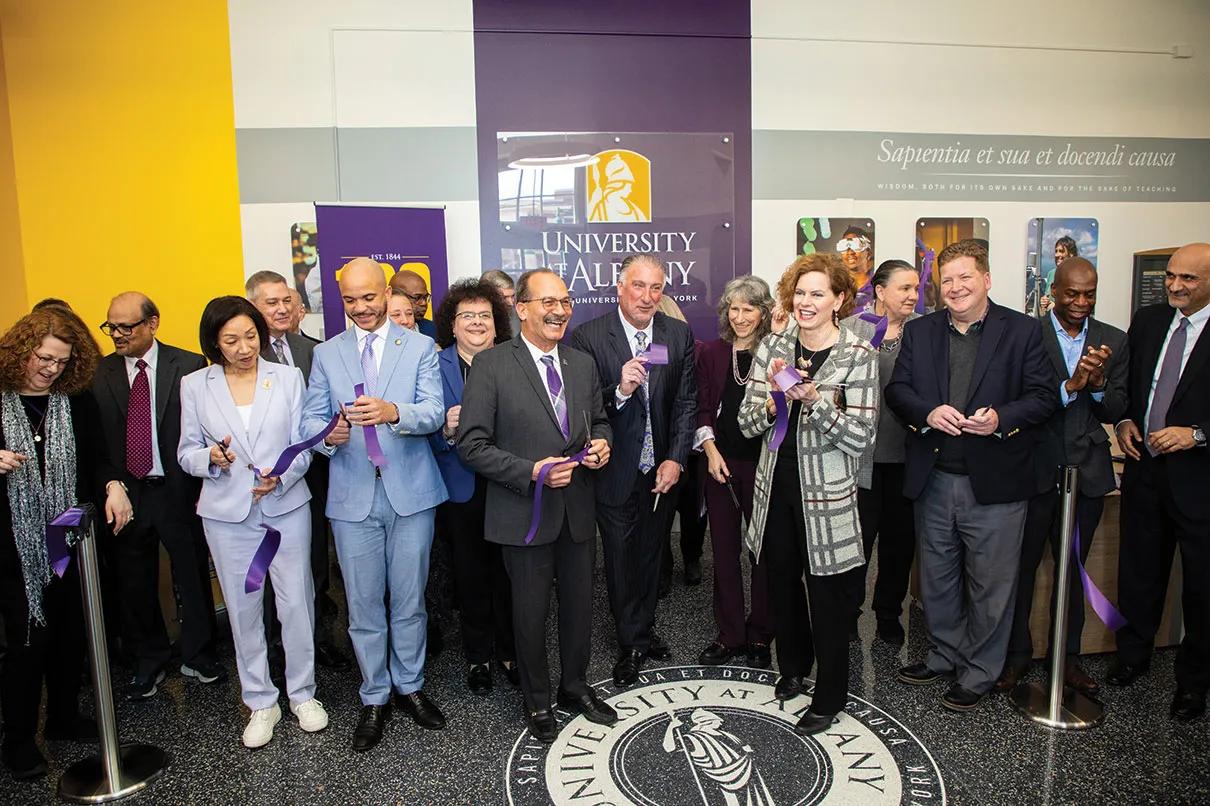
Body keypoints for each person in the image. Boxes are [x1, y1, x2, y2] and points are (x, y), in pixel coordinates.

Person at [886, 239, 1056, 712]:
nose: (956, 287)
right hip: (934, 476)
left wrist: (1001, 418)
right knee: (938, 578)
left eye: (965, 277)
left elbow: (1044, 397)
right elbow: (898, 390)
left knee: (990, 583)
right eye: (947, 280)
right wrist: (927, 412)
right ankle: (944, 655)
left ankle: (980, 671)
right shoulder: (921, 333)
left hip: (996, 482)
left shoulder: (1022, 331)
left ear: (986, 280)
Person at [457, 268, 615, 742]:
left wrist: (603, 444)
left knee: (580, 607)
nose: (559, 310)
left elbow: (601, 421)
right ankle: (538, 699)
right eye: (548, 301)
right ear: (521, 309)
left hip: (578, 513)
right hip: (522, 515)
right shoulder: (491, 365)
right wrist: (531, 471)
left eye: (565, 301)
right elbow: (472, 445)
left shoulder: (582, 364)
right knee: (528, 614)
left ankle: (574, 686)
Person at [302, 257, 448, 750]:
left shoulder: (421, 346)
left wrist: (392, 412)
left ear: (387, 293)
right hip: (351, 496)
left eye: (369, 297)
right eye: (350, 300)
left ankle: (411, 686)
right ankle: (374, 695)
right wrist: (329, 435)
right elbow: (309, 424)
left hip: (411, 493)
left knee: (409, 600)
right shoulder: (327, 354)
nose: (361, 308)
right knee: (363, 606)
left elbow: (431, 412)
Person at [736, 253, 878, 736]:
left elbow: (861, 438)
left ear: (839, 300)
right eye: (800, 293)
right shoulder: (773, 345)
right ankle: (792, 668)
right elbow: (745, 422)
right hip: (775, 490)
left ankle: (830, 693)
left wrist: (816, 403)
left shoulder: (859, 356)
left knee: (828, 596)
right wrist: (778, 398)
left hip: (829, 498)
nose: (806, 302)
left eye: (818, 293)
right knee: (782, 585)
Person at [177, 297, 325, 748]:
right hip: (227, 516)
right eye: (231, 341)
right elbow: (185, 453)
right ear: (213, 343)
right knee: (243, 610)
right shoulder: (195, 385)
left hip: (285, 508)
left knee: (296, 602)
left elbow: (305, 444)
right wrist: (212, 458)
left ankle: (303, 694)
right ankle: (261, 700)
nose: (244, 348)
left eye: (250, 337)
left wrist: (279, 476)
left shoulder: (287, 377)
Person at [0, 308, 125, 779]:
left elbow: (99, 459)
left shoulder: (75, 400)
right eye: (43, 358)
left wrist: (113, 484)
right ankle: (16, 740)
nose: (50, 369)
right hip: (12, 542)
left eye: (60, 361)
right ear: (20, 351)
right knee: (27, 640)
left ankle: (63, 718)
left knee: (71, 628)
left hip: (67, 532)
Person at [996, 257, 1126, 695]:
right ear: (1053, 291)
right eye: (1072, 294)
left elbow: (1115, 410)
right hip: (1034, 466)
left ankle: (1066, 658)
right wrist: (1069, 387)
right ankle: (1015, 657)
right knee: (1022, 567)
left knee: (1074, 570)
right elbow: (1018, 399)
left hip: (1086, 471)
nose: (1080, 303)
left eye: (1089, 294)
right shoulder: (1027, 334)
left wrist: (1100, 383)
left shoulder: (1114, 340)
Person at [569, 253, 696, 687]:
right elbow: (581, 409)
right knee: (621, 560)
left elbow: (685, 404)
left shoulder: (676, 334)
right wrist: (619, 391)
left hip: (661, 472)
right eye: (638, 286)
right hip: (614, 470)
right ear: (619, 287)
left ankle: (642, 630)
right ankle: (629, 644)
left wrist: (676, 458)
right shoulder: (587, 337)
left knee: (651, 556)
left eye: (656, 288)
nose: (647, 296)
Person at [91, 292, 224, 701]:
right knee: (134, 581)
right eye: (111, 326)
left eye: (126, 326)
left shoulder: (186, 365)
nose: (117, 334)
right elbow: (97, 442)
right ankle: (148, 661)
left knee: (191, 572)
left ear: (153, 323)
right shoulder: (99, 373)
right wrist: (112, 485)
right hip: (127, 493)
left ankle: (198, 653)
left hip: (176, 489)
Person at [1111, 242, 1210, 722]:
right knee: (1139, 570)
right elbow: (1132, 388)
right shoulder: (1149, 321)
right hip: (1145, 470)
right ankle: (1133, 657)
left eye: (1188, 279)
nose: (1175, 285)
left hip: (1199, 483)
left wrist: (1197, 434)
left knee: (1201, 588)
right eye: (1172, 275)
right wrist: (1126, 421)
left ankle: (1193, 684)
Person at [247, 271, 351, 673]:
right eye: (271, 302)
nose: (281, 309)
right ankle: (277, 646)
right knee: (272, 562)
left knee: (315, 562)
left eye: (286, 301)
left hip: (320, 467)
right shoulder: (244, 357)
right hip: (270, 477)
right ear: (253, 307)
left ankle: (318, 638)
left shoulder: (313, 350)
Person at [429, 279, 518, 694]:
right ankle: (478, 657)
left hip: (507, 486)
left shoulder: (514, 362)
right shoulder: (434, 365)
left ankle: (511, 652)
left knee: (510, 575)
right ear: (452, 323)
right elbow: (418, 430)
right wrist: (443, 430)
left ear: (497, 323)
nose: (477, 323)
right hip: (460, 489)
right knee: (470, 576)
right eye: (468, 316)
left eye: (485, 315)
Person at [693, 276, 775, 668]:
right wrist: (709, 451)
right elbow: (702, 409)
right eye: (734, 308)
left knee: (762, 552)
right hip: (720, 464)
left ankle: (761, 635)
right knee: (724, 553)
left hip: (765, 465)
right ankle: (730, 635)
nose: (740, 317)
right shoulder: (711, 352)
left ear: (764, 311)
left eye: (749, 308)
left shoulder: (778, 352)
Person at [841, 260, 922, 645]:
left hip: (907, 458)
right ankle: (849, 612)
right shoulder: (851, 329)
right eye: (904, 288)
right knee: (858, 542)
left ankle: (889, 613)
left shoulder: (923, 331)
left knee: (899, 542)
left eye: (915, 289)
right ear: (880, 291)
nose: (912, 296)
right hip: (861, 459)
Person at [656, 295, 705, 595]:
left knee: (693, 509)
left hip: (694, 445)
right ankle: (663, 565)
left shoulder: (697, 349)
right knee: (660, 511)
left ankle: (692, 558)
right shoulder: (648, 353)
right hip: (661, 444)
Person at [837, 226, 875, 313]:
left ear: (868, 254)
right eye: (844, 247)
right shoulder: (836, 284)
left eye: (856, 246)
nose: (850, 252)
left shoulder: (878, 284)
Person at [389, 269, 437, 338]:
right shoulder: (375, 334)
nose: (423, 303)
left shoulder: (434, 330)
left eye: (425, 297)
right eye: (417, 298)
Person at [482, 269, 521, 335]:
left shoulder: (520, 320)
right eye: (504, 298)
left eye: (512, 296)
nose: (511, 303)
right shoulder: (475, 322)